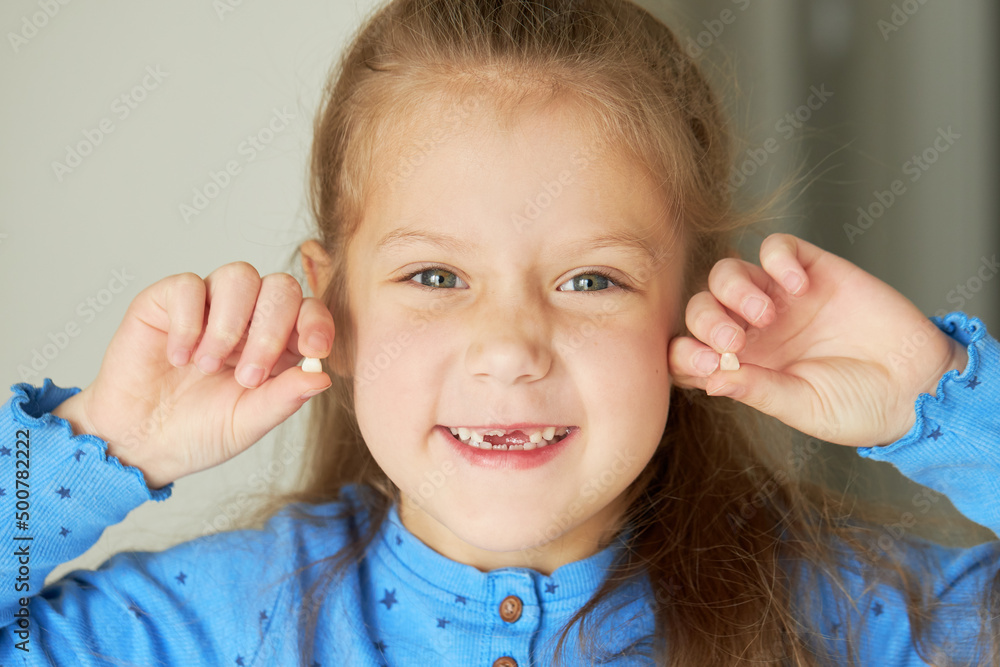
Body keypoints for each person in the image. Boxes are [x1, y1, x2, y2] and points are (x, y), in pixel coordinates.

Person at [2, 0, 998, 665]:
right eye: (435, 276)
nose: (510, 348)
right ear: (331, 310)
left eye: (591, 279)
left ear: (693, 310)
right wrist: (103, 444)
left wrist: (940, 399)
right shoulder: (208, 625)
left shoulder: (851, 615)